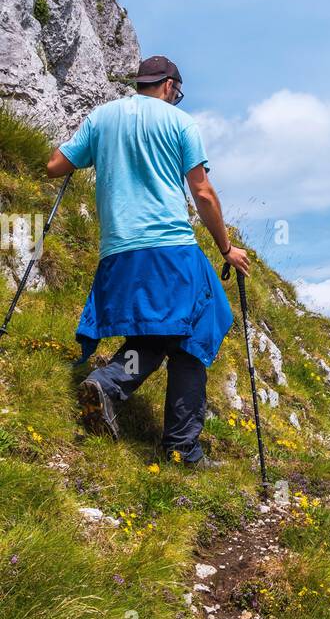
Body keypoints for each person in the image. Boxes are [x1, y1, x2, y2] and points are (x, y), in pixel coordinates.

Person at [46, 55, 250, 466]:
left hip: (118, 252)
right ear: (170, 86)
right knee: (205, 322)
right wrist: (227, 248)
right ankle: (178, 443)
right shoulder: (180, 123)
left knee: (164, 330)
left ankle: (121, 395)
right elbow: (203, 192)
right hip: (169, 247)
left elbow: (55, 165)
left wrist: (90, 147)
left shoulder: (101, 117)